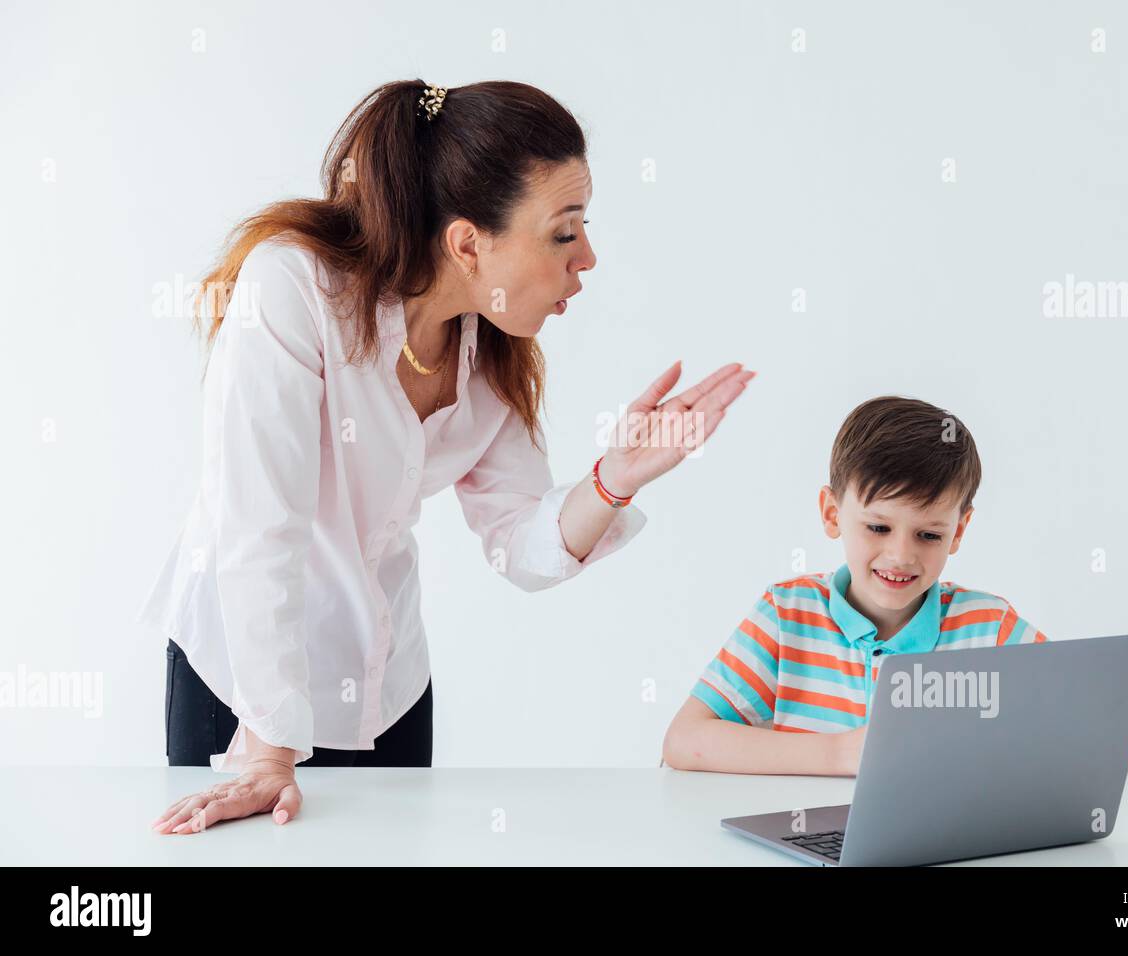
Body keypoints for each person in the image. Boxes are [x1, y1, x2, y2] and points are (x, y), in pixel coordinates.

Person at [140, 80, 755, 835]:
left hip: (386, 686)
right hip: (246, 686)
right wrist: (270, 752)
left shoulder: (490, 352)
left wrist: (615, 476)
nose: (588, 259)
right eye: (564, 233)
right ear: (468, 243)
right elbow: (260, 526)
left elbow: (522, 543)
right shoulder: (293, 288)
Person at [662, 395, 1128, 774]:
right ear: (833, 514)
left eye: (929, 534)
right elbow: (684, 742)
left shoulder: (988, 628)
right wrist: (842, 755)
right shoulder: (788, 615)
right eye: (878, 527)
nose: (901, 556)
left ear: (958, 531)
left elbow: (1126, 739)